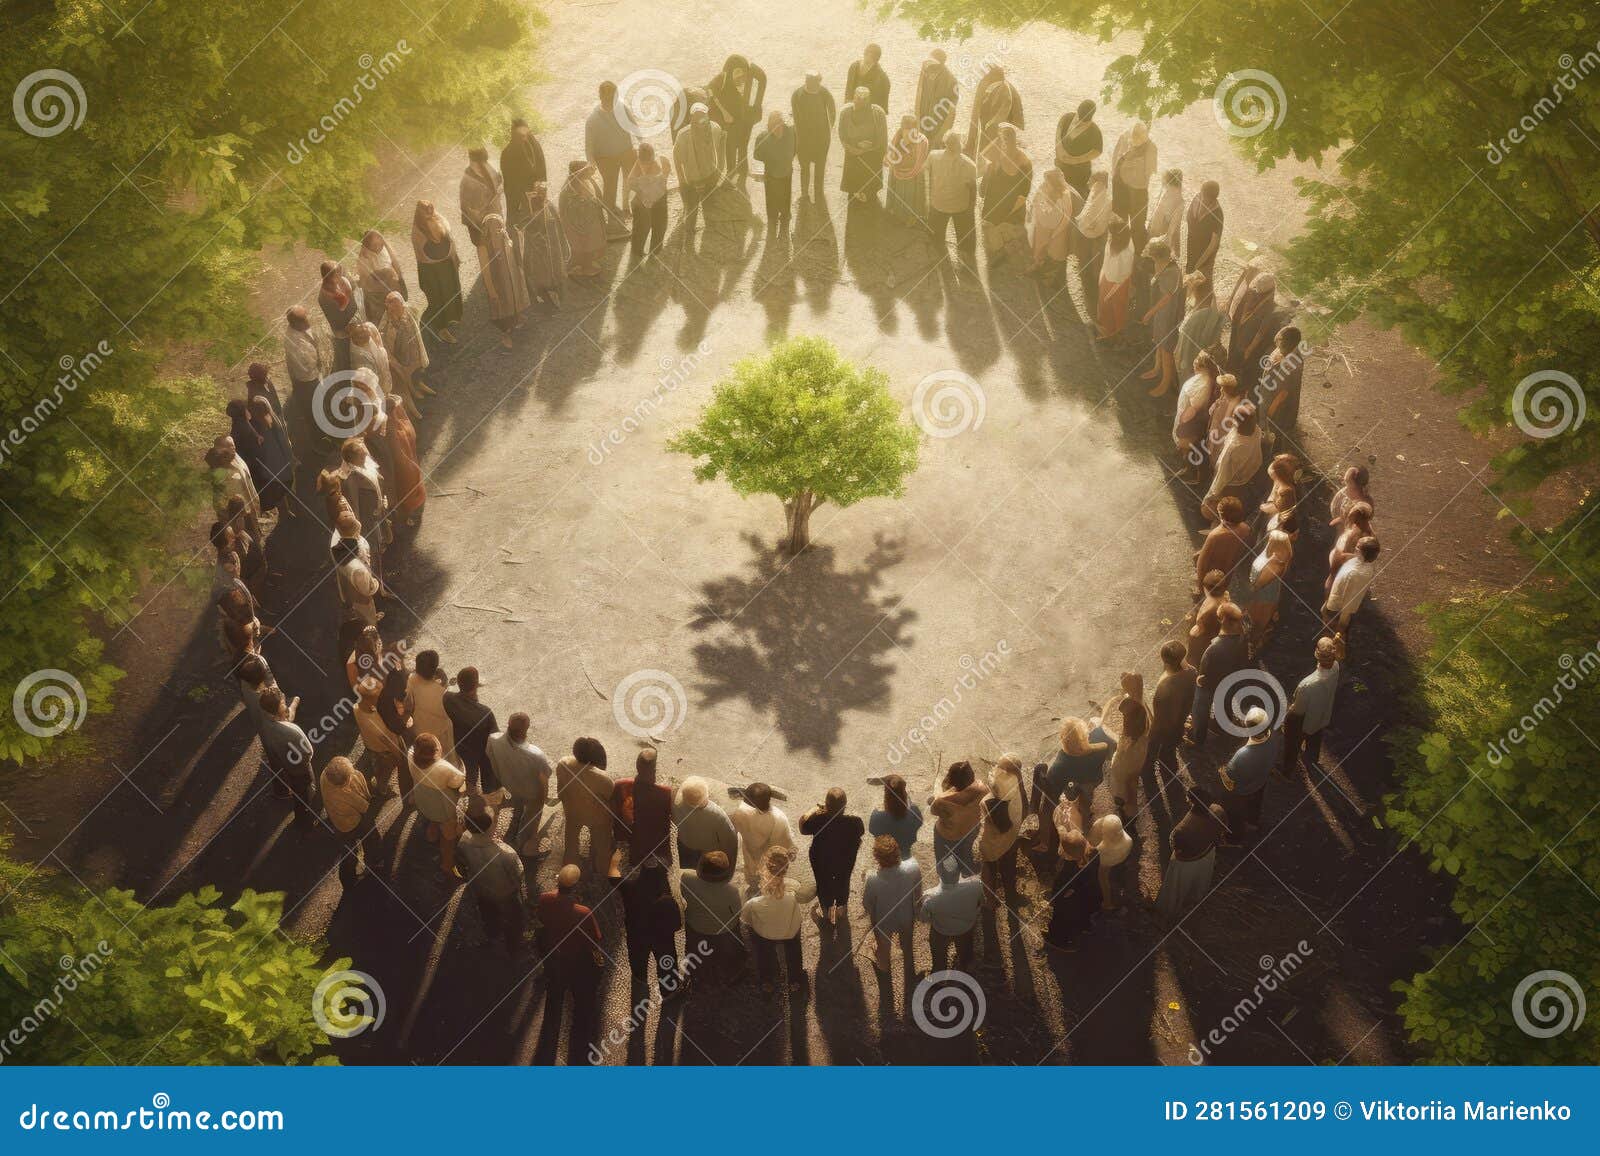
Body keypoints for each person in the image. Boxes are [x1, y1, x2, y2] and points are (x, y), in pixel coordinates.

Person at [536, 864, 604, 1060]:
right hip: (577, 963)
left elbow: (541, 918)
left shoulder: (545, 899)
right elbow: (595, 941)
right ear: (576, 887)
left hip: (553, 956)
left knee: (555, 991)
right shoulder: (583, 912)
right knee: (582, 998)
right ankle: (580, 1042)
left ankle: (550, 1026)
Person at [458, 796, 527, 953]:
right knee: (514, 921)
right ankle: (513, 948)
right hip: (506, 894)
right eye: (494, 820)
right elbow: (518, 875)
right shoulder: (506, 853)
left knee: (489, 916)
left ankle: (492, 937)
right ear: (491, 828)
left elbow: (463, 866)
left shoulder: (463, 841)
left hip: (482, 891)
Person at [1033, 716, 1113, 852]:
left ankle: (1045, 843)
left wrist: (1041, 777)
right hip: (1091, 781)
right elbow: (1107, 742)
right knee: (1086, 804)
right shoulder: (1100, 740)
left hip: (1072, 785)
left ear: (1064, 739)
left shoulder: (1060, 765)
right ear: (1086, 735)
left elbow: (1052, 791)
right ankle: (1085, 830)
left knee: (1046, 809)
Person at [740, 846, 812, 995]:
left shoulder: (754, 903)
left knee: (763, 951)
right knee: (794, 950)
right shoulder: (792, 895)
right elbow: (809, 889)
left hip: (765, 934)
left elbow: (745, 918)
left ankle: (767, 981)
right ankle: (795, 980)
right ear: (786, 869)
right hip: (790, 931)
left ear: (764, 869)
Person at [1154, 789, 1231, 921]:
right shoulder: (1218, 811)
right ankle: (1196, 896)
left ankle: (1168, 911)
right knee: (1200, 879)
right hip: (1208, 853)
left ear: (1193, 802)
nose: (1186, 800)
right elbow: (1222, 832)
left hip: (1186, 861)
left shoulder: (1182, 830)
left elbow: (1176, 848)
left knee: (1177, 887)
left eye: (1189, 798)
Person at [487, 712, 552, 855]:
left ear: (508, 724)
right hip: (531, 793)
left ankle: (513, 828)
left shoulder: (493, 739)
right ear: (527, 728)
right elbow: (544, 780)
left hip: (510, 786)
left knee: (517, 807)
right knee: (530, 818)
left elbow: (491, 760)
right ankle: (523, 847)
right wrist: (540, 802)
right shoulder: (536, 755)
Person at [798, 787, 864, 926]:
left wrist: (813, 810)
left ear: (826, 805)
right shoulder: (855, 822)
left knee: (823, 884)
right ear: (845, 805)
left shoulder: (818, 818)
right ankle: (841, 909)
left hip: (821, 861)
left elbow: (802, 827)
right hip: (845, 862)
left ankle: (827, 912)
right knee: (843, 881)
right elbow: (861, 832)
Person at [678, 850, 746, 982]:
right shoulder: (732, 891)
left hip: (697, 928)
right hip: (724, 930)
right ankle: (733, 963)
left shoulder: (687, 879)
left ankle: (696, 968)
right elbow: (738, 912)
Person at [619, 859, 683, 995]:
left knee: (638, 961)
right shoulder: (667, 901)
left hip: (637, 935)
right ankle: (668, 992)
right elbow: (677, 925)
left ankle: (640, 980)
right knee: (667, 966)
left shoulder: (629, 888)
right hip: (662, 939)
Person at [1187, 603, 1249, 745]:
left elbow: (1203, 678)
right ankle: (1222, 726)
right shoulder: (1242, 638)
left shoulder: (1213, 649)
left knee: (1200, 707)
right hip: (1231, 683)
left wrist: (1198, 680)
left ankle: (1198, 736)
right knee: (1225, 702)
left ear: (1222, 620)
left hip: (1211, 686)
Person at [1283, 635, 1343, 776]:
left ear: (1317, 654)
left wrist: (1287, 718)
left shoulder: (1307, 685)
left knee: (1292, 745)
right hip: (1322, 716)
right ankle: (1312, 759)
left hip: (1304, 722)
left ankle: (1286, 772)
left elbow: (1297, 711)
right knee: (1315, 737)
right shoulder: (1335, 667)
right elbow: (1340, 657)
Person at [556, 737, 615, 880]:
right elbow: (611, 801)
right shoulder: (603, 778)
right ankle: (601, 873)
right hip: (597, 818)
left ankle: (570, 872)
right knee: (602, 848)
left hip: (572, 812)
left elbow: (561, 790)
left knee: (571, 843)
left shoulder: (563, 763)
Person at [410, 732, 465, 876]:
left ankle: (431, 834)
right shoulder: (445, 769)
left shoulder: (410, 757)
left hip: (423, 802)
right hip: (443, 809)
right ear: (436, 751)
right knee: (448, 837)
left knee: (432, 819)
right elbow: (458, 784)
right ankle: (447, 865)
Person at [1220, 707, 1281, 835]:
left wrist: (1221, 771)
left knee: (1236, 812)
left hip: (1243, 790)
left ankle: (1235, 835)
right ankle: (1253, 823)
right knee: (1255, 805)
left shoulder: (1242, 756)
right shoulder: (1275, 735)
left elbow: (1230, 780)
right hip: (1261, 782)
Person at [979, 122, 1031, 270]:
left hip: (1007, 209)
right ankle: (999, 252)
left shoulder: (1023, 163)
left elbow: (1023, 195)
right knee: (994, 235)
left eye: (1000, 140)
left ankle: (1001, 252)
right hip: (998, 206)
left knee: (1000, 235)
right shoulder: (1019, 161)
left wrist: (1007, 213)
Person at [706, 54, 766, 181]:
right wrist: (724, 113)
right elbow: (710, 91)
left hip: (745, 119)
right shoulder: (721, 79)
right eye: (737, 71)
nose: (740, 76)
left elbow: (754, 97)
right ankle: (731, 172)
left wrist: (754, 113)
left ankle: (743, 169)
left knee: (744, 143)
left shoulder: (750, 80)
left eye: (742, 72)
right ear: (730, 70)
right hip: (731, 122)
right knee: (731, 145)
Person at [1100, 671, 1152, 819]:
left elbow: (1121, 708)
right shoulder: (1142, 703)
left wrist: (1122, 746)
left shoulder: (1132, 708)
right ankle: (1131, 805)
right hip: (1140, 748)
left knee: (1121, 773)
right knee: (1133, 778)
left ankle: (1125, 804)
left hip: (1130, 750)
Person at [410, 199, 462, 343]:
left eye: (431, 209)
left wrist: (453, 257)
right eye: (426, 212)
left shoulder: (440, 219)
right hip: (431, 270)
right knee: (437, 298)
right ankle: (441, 329)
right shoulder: (417, 231)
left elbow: (449, 240)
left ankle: (450, 317)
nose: (430, 213)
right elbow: (424, 253)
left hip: (446, 265)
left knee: (451, 292)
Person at [258, 688, 314, 822]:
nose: (285, 705)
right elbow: (308, 752)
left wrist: (294, 703)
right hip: (300, 770)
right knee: (305, 794)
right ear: (276, 711)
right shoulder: (292, 732)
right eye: (283, 704)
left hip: (286, 766)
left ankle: (300, 813)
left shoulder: (266, 720)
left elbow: (287, 717)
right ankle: (304, 822)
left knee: (297, 792)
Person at [611, 747, 674, 867]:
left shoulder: (621, 785)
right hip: (655, 841)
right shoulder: (665, 793)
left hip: (632, 838)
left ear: (637, 767)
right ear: (654, 771)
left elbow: (616, 815)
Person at [1202, 402, 1265, 520]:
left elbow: (1223, 472)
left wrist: (1212, 494)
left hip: (1231, 483)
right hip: (1248, 475)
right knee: (1237, 504)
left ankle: (1220, 525)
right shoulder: (1256, 430)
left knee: (1215, 510)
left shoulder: (1234, 445)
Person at [977, 754, 1025, 909]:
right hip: (1003, 841)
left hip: (998, 842)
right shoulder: (1008, 789)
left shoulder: (992, 796)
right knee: (1000, 868)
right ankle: (1000, 898)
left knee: (996, 868)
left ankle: (995, 898)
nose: (995, 769)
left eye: (999, 767)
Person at [929, 760, 988, 883]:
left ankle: (948, 878)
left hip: (947, 835)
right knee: (966, 851)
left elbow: (933, 811)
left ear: (952, 781)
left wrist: (934, 798)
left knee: (945, 858)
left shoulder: (942, 800)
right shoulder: (982, 789)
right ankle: (967, 872)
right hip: (971, 829)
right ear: (971, 777)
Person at [320, 755, 379, 880]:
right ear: (345, 783)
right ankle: (372, 863)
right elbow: (365, 807)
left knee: (348, 851)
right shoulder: (346, 794)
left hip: (338, 822)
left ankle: (348, 880)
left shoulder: (324, 775)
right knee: (371, 838)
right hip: (354, 823)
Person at [584, 83, 635, 220]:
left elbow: (635, 127)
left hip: (626, 152)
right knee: (610, 187)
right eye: (607, 99)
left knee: (629, 180)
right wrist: (591, 162)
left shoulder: (623, 109)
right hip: (605, 158)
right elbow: (589, 145)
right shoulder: (592, 120)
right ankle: (612, 216)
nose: (610, 102)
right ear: (601, 98)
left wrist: (641, 144)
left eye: (612, 98)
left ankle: (626, 208)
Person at [730, 781, 794, 890]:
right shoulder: (779, 818)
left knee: (752, 876)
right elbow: (785, 847)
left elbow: (732, 831)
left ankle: (754, 889)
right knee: (769, 882)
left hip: (750, 855)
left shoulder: (740, 812)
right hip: (770, 861)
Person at [444, 666, 498, 796]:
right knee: (477, 772)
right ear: (475, 687)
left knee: (470, 770)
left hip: (458, 746)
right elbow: (495, 738)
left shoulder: (448, 699)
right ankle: (478, 794)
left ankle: (470, 789)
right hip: (478, 752)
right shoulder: (485, 712)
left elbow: (447, 692)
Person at [672, 103, 724, 239]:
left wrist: (719, 171)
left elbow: (719, 148)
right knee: (691, 209)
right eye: (697, 117)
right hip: (692, 179)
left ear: (707, 116)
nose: (700, 120)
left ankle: (710, 231)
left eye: (703, 116)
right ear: (692, 118)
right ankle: (689, 235)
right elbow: (677, 159)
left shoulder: (715, 128)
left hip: (710, 176)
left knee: (710, 205)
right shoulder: (683, 135)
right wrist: (682, 180)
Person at [1045, 830, 1101, 952]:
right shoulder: (1093, 856)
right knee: (1078, 914)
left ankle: (1057, 940)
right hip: (1083, 896)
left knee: (1063, 918)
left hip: (1071, 899)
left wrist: (1055, 898)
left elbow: (1060, 887)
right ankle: (1083, 927)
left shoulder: (1068, 868)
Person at [479, 211, 529, 348]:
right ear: (487, 230)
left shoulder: (506, 240)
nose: (499, 230)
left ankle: (517, 318)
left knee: (512, 302)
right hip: (497, 286)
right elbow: (486, 272)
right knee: (501, 312)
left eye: (500, 227)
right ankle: (505, 335)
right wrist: (491, 290)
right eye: (495, 228)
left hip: (510, 282)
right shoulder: (483, 247)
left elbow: (516, 255)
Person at [1142, 237, 1185, 397]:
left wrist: (1150, 313)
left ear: (1160, 258)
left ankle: (1165, 383)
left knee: (1167, 348)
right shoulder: (1164, 265)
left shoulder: (1172, 272)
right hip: (1161, 313)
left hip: (1169, 314)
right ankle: (1156, 368)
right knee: (1159, 340)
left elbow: (1167, 297)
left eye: (1154, 259)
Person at [928, 131, 978, 264]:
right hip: (960, 207)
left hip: (938, 205)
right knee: (965, 234)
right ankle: (965, 256)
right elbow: (973, 190)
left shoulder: (933, 156)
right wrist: (971, 208)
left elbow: (926, 174)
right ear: (960, 146)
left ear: (945, 144)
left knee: (936, 234)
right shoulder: (970, 166)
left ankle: (938, 251)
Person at [919, 869, 983, 972]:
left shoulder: (930, 898)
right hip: (965, 929)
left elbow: (923, 919)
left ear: (939, 874)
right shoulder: (976, 886)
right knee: (966, 944)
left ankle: (939, 969)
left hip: (942, 931)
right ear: (958, 872)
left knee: (937, 945)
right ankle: (967, 964)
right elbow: (981, 903)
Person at [1150, 640, 1198, 776]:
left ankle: (1168, 769)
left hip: (1166, 728)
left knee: (1165, 751)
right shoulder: (1192, 672)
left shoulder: (1164, 687)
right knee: (1172, 742)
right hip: (1180, 721)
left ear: (1165, 662)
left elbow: (1159, 714)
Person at [1226, 269, 1280, 388]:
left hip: (1247, 346)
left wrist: (1249, 350)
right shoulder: (1256, 298)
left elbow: (1261, 332)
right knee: (1236, 369)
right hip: (1241, 343)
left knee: (1241, 372)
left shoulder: (1268, 307)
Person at [380, 292, 432, 418]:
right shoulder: (387, 317)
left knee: (418, 367)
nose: (399, 308)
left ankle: (419, 383)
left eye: (400, 305)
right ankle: (412, 390)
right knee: (406, 372)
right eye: (394, 306)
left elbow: (418, 317)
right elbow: (381, 333)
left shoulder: (409, 309)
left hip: (413, 347)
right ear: (388, 306)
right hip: (399, 352)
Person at [1172, 350, 1220, 484]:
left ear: (1203, 367)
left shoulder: (1204, 383)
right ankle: (1188, 469)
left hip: (1195, 422)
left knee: (1193, 447)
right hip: (1194, 420)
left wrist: (1182, 422)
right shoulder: (1203, 379)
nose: (1194, 363)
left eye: (1197, 361)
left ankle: (1197, 477)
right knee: (1187, 447)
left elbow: (1194, 408)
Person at [355, 680, 408, 797]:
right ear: (371, 701)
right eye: (380, 696)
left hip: (370, 746)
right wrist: (400, 758)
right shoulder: (378, 723)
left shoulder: (356, 708)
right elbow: (391, 744)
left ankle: (377, 782)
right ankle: (383, 790)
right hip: (385, 752)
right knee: (385, 773)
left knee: (376, 768)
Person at [673, 776, 738, 871]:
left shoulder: (677, 805)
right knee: (705, 868)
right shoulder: (717, 814)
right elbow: (729, 839)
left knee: (690, 867)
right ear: (706, 795)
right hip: (708, 852)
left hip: (686, 844)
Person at [789, 71, 836, 203]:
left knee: (820, 167)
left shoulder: (824, 93)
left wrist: (828, 129)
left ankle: (818, 192)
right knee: (804, 167)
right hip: (804, 139)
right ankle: (804, 193)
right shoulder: (797, 95)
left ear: (818, 82)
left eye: (814, 83)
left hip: (821, 139)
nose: (811, 86)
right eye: (808, 82)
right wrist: (799, 135)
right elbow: (796, 118)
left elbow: (832, 113)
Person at [1243, 528, 1293, 650]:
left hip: (1264, 600)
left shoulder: (1276, 563)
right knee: (1251, 623)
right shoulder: (1269, 553)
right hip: (1261, 597)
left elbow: (1257, 585)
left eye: (1271, 539)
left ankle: (1252, 647)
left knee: (1256, 626)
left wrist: (1246, 593)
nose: (1268, 540)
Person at [1111, 122, 1158, 252]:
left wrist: (1132, 166)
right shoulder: (1124, 136)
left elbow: (1149, 171)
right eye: (1133, 138)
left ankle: (1138, 253)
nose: (1134, 142)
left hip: (1138, 189)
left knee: (1137, 224)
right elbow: (1115, 157)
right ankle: (1119, 247)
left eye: (1138, 140)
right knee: (1119, 218)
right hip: (1120, 184)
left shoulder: (1151, 148)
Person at [520, 182, 568, 307]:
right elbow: (526, 228)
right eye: (539, 193)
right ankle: (541, 292)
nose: (542, 195)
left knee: (553, 268)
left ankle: (552, 288)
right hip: (539, 248)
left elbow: (558, 226)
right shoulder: (530, 209)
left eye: (544, 193)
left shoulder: (549, 207)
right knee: (540, 271)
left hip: (552, 246)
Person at [282, 306, 324, 448]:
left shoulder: (296, 331)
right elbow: (308, 365)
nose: (308, 320)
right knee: (313, 409)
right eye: (305, 319)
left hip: (305, 379)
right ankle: (318, 441)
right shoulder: (297, 344)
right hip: (307, 381)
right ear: (297, 323)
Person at [1026, 167, 1077, 284]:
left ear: (1055, 184)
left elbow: (1066, 217)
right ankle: (1037, 265)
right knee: (1039, 247)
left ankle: (1053, 276)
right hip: (1042, 224)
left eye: (1047, 182)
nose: (1045, 183)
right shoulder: (1043, 187)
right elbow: (1035, 201)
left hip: (1057, 228)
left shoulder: (1065, 196)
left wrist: (1056, 232)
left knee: (1056, 252)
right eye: (1045, 181)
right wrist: (1032, 213)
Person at [1258, 325, 1306, 449]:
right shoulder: (1285, 351)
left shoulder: (1292, 365)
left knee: (1274, 432)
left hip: (1277, 408)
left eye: (1279, 342)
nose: (1277, 345)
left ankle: (1273, 451)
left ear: (1287, 343)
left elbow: (1282, 394)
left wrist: (1268, 414)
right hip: (1269, 396)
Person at [837, 86, 887, 204]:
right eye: (858, 98)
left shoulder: (878, 114)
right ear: (853, 97)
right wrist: (851, 148)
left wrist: (869, 147)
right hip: (852, 154)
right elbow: (842, 133)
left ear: (869, 99)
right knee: (853, 187)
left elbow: (882, 137)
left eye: (865, 99)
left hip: (872, 156)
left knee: (870, 190)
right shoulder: (845, 113)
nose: (861, 102)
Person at [1325, 536, 1379, 642]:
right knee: (1342, 620)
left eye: (1358, 547)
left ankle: (1334, 643)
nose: (1355, 548)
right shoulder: (1367, 565)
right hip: (1349, 603)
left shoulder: (1353, 573)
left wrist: (1332, 605)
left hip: (1339, 604)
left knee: (1335, 624)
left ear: (1364, 553)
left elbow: (1346, 595)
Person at [1195, 495, 1253, 596]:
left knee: (1196, 557)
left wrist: (1200, 585)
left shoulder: (1215, 535)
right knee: (1220, 593)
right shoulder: (1246, 529)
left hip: (1211, 573)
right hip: (1228, 570)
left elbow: (1202, 563)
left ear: (1221, 514)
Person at [558, 160, 607, 278]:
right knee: (584, 243)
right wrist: (591, 202)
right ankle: (585, 266)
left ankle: (583, 262)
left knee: (588, 242)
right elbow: (574, 209)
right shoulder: (569, 189)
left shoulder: (584, 182)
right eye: (585, 171)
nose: (589, 173)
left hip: (588, 220)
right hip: (578, 225)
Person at [405, 650, 456, 763]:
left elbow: (408, 704)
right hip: (441, 732)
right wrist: (446, 683)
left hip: (420, 728)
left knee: (425, 759)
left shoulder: (410, 679)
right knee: (444, 759)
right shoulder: (442, 692)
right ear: (435, 669)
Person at [624, 142, 672, 260]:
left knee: (660, 226)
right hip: (642, 203)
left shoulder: (658, 164)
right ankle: (637, 251)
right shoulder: (634, 172)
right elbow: (630, 186)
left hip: (659, 199)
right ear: (639, 158)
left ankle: (655, 251)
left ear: (653, 156)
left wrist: (663, 175)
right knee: (640, 228)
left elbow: (663, 180)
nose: (645, 165)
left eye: (649, 161)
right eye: (643, 162)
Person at [1074, 170, 1112, 315]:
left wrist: (1085, 224)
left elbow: (1095, 216)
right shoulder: (1099, 193)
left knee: (1092, 266)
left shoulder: (1101, 195)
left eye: (1093, 181)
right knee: (1090, 265)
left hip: (1094, 236)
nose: (1090, 183)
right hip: (1092, 234)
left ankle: (1094, 300)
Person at [752, 110, 796, 236]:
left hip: (786, 172)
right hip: (771, 173)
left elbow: (795, 148)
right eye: (774, 124)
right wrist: (771, 158)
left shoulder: (791, 132)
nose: (778, 126)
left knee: (786, 195)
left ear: (783, 123)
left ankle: (785, 215)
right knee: (771, 197)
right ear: (770, 125)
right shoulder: (762, 137)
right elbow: (756, 154)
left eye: (780, 123)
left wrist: (787, 159)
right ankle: (772, 217)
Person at [965, 64, 1022, 160]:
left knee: (990, 146)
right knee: (982, 144)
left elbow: (1004, 109)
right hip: (984, 121)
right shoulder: (987, 83)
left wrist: (993, 122)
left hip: (992, 125)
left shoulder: (1004, 89)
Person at [884, 114, 930, 227]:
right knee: (898, 195)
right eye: (905, 131)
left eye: (910, 132)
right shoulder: (898, 135)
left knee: (912, 197)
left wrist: (909, 172)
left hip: (914, 175)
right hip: (898, 171)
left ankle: (912, 217)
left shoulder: (922, 141)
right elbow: (890, 152)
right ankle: (897, 212)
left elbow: (919, 163)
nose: (906, 135)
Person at [500, 118, 547, 228]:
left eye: (527, 134)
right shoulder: (507, 154)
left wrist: (540, 183)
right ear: (514, 135)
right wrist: (526, 193)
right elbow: (510, 185)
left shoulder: (534, 146)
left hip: (539, 197)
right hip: (521, 203)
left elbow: (541, 168)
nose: (525, 138)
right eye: (521, 136)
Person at [1184, 180, 1224, 303]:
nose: (1203, 199)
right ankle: (1186, 299)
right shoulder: (1196, 199)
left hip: (1205, 253)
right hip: (1192, 247)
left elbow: (1213, 243)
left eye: (1206, 198)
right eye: (1202, 195)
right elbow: (1189, 218)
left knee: (1202, 281)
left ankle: (1204, 307)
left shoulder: (1217, 214)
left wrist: (1200, 262)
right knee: (1189, 274)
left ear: (1213, 199)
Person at [459, 145, 505, 249]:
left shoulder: (488, 168)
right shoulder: (467, 181)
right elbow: (465, 208)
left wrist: (500, 187)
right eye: (480, 162)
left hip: (496, 219)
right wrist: (481, 222)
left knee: (501, 250)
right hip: (480, 227)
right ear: (473, 160)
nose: (484, 164)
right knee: (486, 256)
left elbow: (499, 181)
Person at [1096, 218, 1135, 341]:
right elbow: (1106, 261)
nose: (1108, 236)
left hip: (1119, 285)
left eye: (1111, 234)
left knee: (1118, 309)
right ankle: (1107, 332)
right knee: (1104, 307)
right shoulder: (1111, 242)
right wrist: (1102, 277)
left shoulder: (1127, 253)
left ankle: (1117, 337)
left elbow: (1123, 276)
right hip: (1107, 278)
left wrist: (1110, 293)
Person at [1054, 99, 1102, 199]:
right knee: (1058, 194)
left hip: (1079, 173)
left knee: (1075, 197)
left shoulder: (1094, 131)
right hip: (1061, 166)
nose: (1079, 122)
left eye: (1083, 121)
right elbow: (1058, 132)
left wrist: (1075, 160)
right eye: (1078, 118)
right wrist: (1059, 150)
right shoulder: (1067, 118)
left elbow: (1097, 151)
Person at [868, 774, 923, 859]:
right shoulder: (914, 812)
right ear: (904, 792)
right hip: (906, 849)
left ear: (886, 794)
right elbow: (919, 822)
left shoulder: (876, 817)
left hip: (886, 854)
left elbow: (872, 830)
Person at [356, 230, 406, 324]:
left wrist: (400, 279)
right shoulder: (364, 257)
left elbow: (395, 263)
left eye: (380, 244)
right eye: (374, 245)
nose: (378, 247)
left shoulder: (385, 249)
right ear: (368, 245)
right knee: (381, 318)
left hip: (390, 286)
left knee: (398, 313)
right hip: (376, 293)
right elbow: (367, 282)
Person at [318, 261, 359, 372]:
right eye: (337, 274)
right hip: (344, 331)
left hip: (352, 321)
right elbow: (339, 319)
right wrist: (349, 295)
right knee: (347, 358)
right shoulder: (325, 297)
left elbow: (353, 287)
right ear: (329, 277)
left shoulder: (337, 283)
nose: (340, 275)